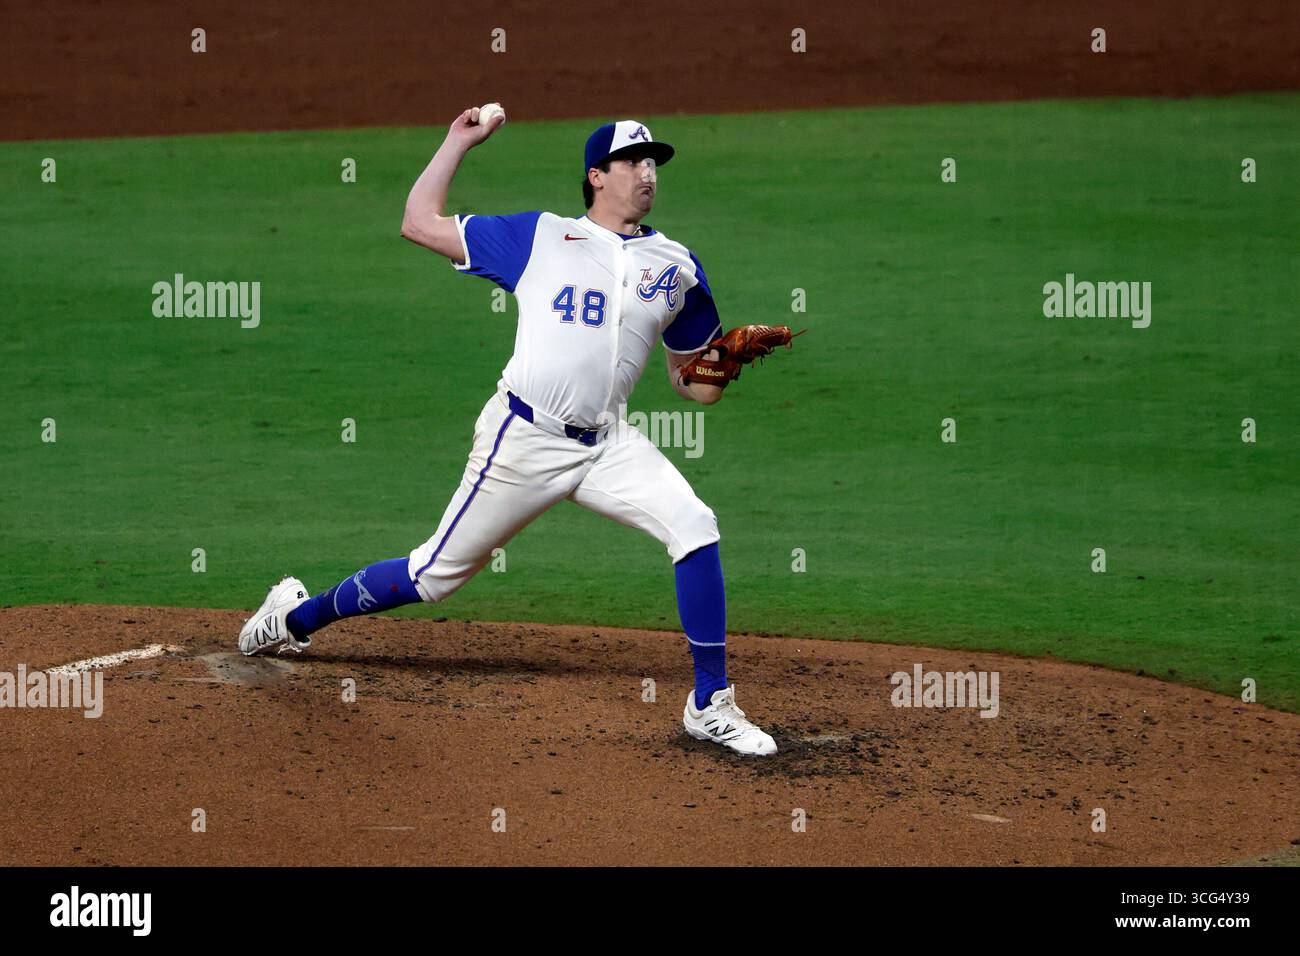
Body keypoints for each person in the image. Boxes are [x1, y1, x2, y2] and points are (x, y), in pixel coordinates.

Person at [238, 107, 777, 756]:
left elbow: (694, 386)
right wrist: (456, 141)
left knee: (695, 525)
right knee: (433, 575)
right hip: (523, 439)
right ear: (596, 177)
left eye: (653, 162)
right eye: (633, 161)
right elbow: (418, 223)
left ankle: (710, 703)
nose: (647, 173)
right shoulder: (539, 237)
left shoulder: (678, 266)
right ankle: (293, 617)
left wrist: (729, 359)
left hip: (607, 443)